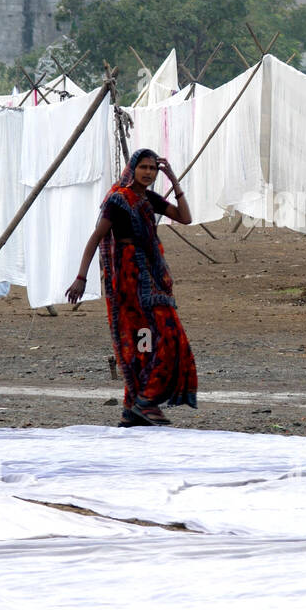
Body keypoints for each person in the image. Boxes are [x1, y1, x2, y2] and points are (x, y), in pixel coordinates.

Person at [66, 149, 198, 427]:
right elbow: (96, 237)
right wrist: (81, 277)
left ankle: (132, 407)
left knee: (148, 342)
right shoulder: (118, 200)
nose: (149, 173)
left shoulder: (148, 199)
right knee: (156, 337)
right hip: (132, 286)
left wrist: (174, 180)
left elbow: (184, 217)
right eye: (144, 167)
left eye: (153, 169)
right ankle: (145, 402)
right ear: (133, 169)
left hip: (154, 281)